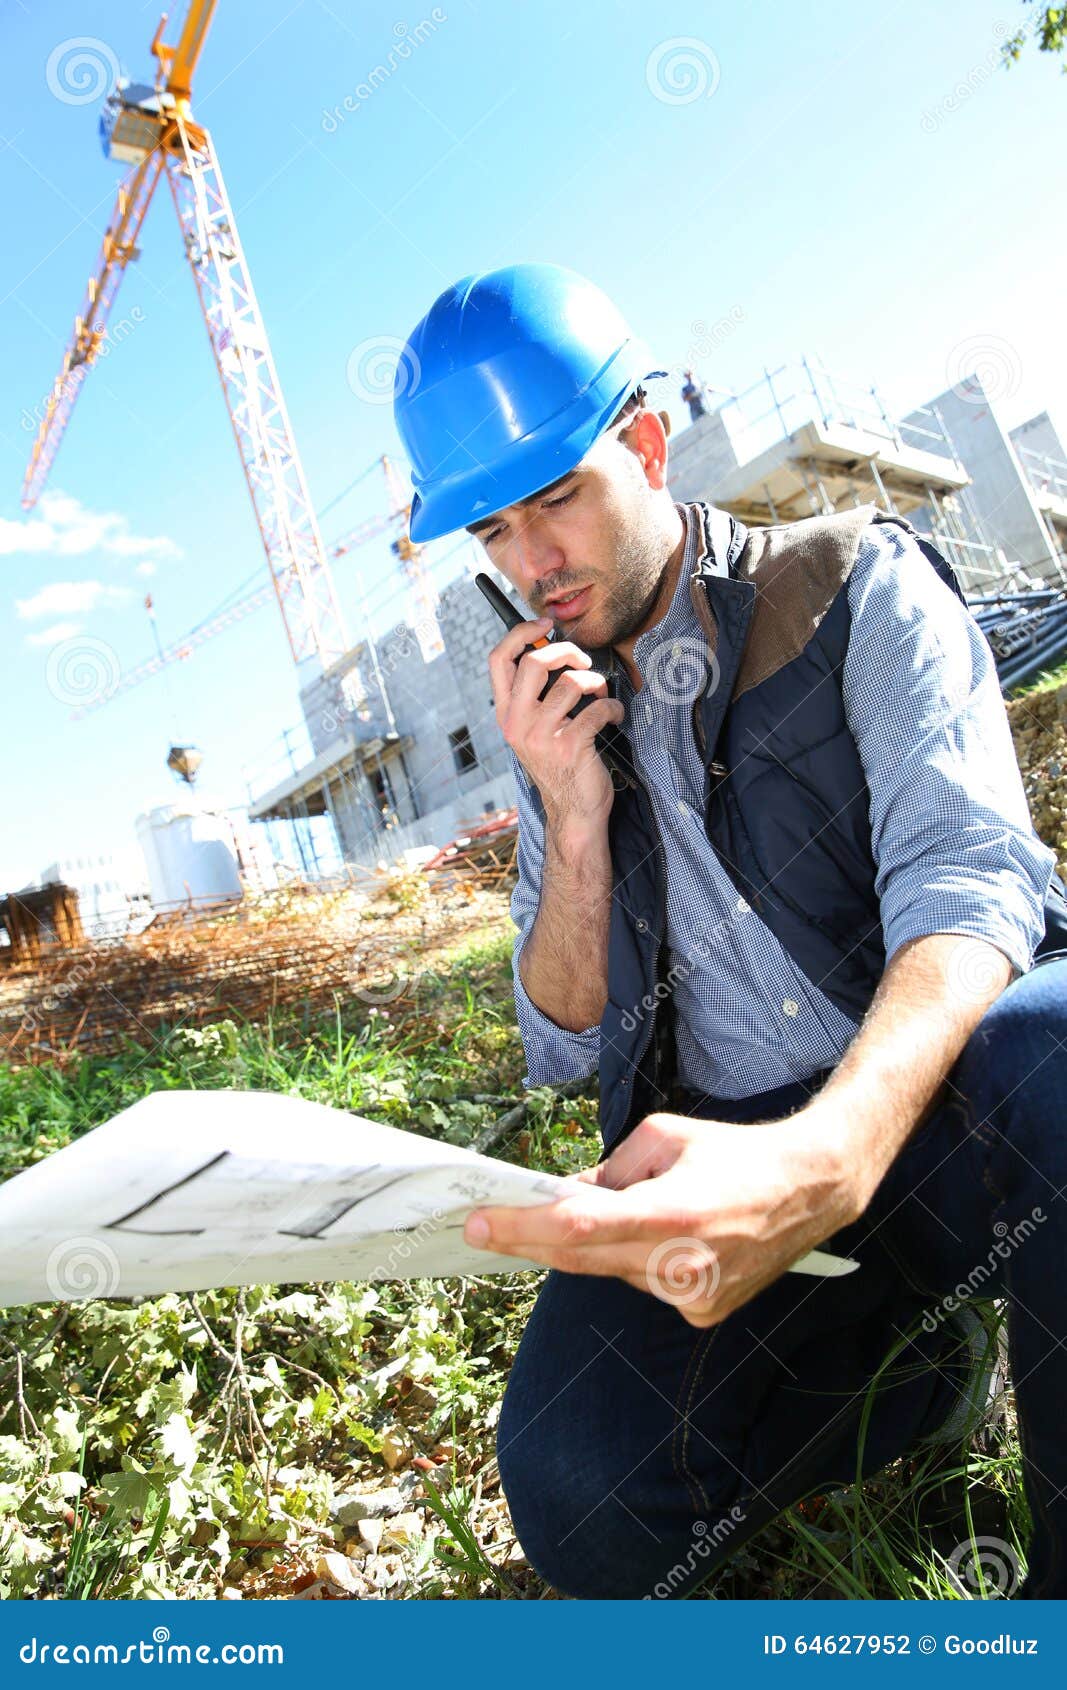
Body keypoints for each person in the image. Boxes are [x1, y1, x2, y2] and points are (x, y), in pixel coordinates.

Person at [393, 263, 1067, 1600]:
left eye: (557, 498)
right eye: (494, 533)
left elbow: (970, 878)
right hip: (722, 1158)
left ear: (646, 445)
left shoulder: (849, 582)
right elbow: (558, 1037)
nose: (534, 565)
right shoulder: (555, 722)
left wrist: (833, 1150)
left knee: (1055, 1052)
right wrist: (574, 818)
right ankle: (919, 1380)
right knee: (578, 1489)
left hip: (937, 1106)